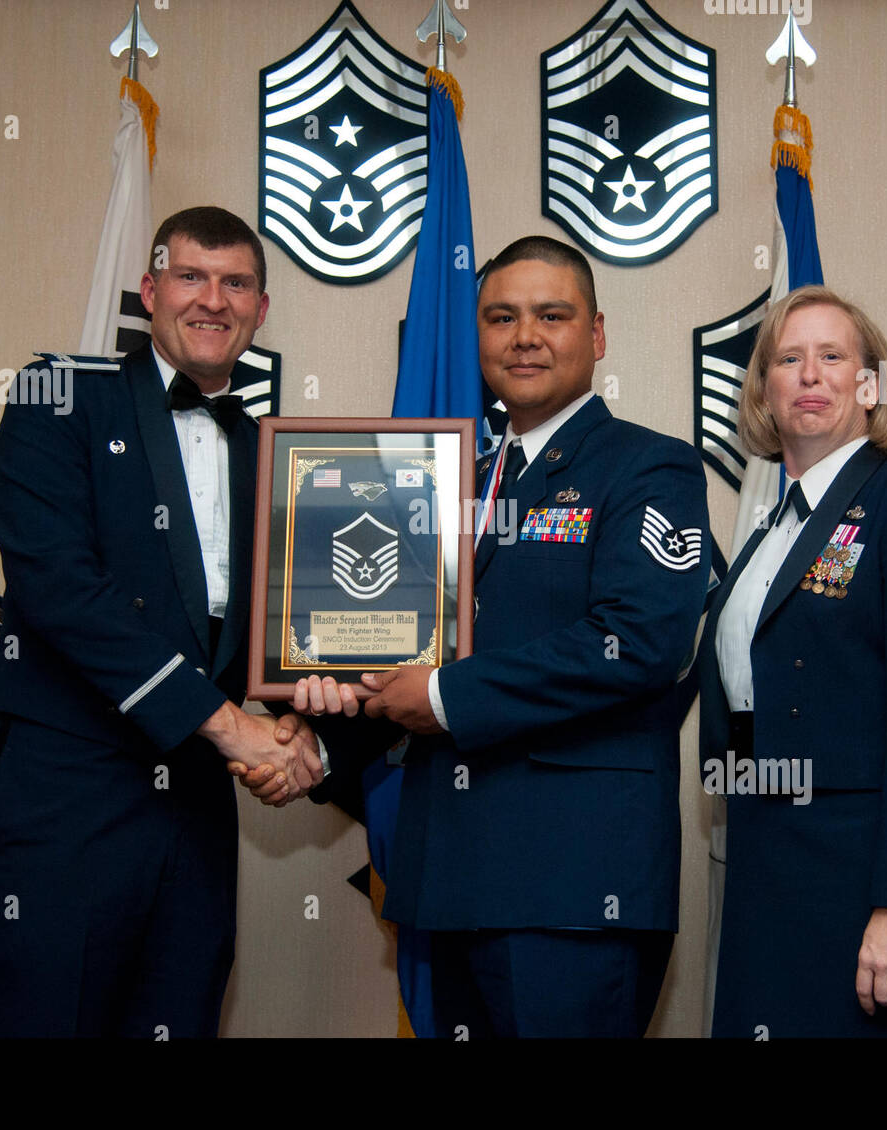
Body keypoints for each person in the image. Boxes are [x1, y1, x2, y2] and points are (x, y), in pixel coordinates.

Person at [245, 236, 710, 1038]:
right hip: (445, 881)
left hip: (573, 892)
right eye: (501, 317)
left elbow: (639, 644)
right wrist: (323, 737)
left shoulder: (650, 468)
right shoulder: (442, 475)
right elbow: (405, 653)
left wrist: (442, 694)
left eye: (551, 315)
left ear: (596, 334)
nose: (524, 335)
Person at [0, 206, 323, 1038]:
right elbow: (64, 593)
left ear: (260, 310)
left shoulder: (272, 452)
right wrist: (234, 727)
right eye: (191, 276)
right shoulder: (60, 396)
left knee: (181, 1018)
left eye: (236, 283)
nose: (213, 300)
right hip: (66, 797)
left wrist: (307, 727)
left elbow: (283, 634)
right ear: (149, 289)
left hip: (196, 805)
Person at [696, 285, 887, 1037]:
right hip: (767, 876)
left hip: (865, 887)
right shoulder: (769, 534)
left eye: (832, 356)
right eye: (788, 358)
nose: (810, 374)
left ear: (871, 385)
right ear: (764, 390)